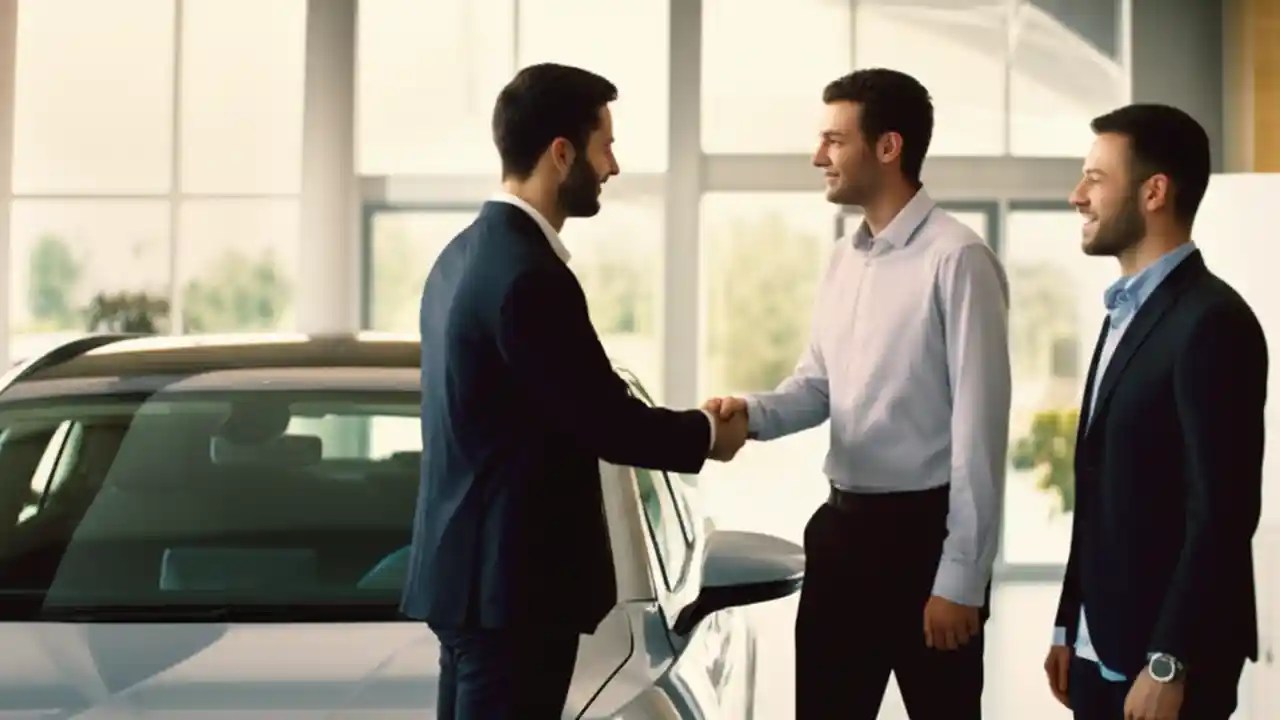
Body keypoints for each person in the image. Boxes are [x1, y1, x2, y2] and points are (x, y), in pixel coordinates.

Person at [400, 63, 748, 719]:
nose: (612, 167)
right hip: (514, 595)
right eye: (605, 145)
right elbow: (603, 420)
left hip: (470, 587)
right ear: (562, 154)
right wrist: (710, 434)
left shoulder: (458, 258)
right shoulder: (529, 276)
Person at [706, 67, 1011, 719]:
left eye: (833, 140)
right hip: (843, 538)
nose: (819, 157)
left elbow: (979, 435)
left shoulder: (958, 260)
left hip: (925, 544)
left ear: (888, 146)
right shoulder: (846, 257)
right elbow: (817, 386)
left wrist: (961, 578)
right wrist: (748, 414)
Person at [1042, 103, 1267, 720]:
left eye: (1095, 178)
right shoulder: (1124, 312)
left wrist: (1170, 659)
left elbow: (1222, 515)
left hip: (1163, 667)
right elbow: (1097, 489)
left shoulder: (1213, 321)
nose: (1076, 196)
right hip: (1098, 651)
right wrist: (1069, 624)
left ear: (1154, 192)